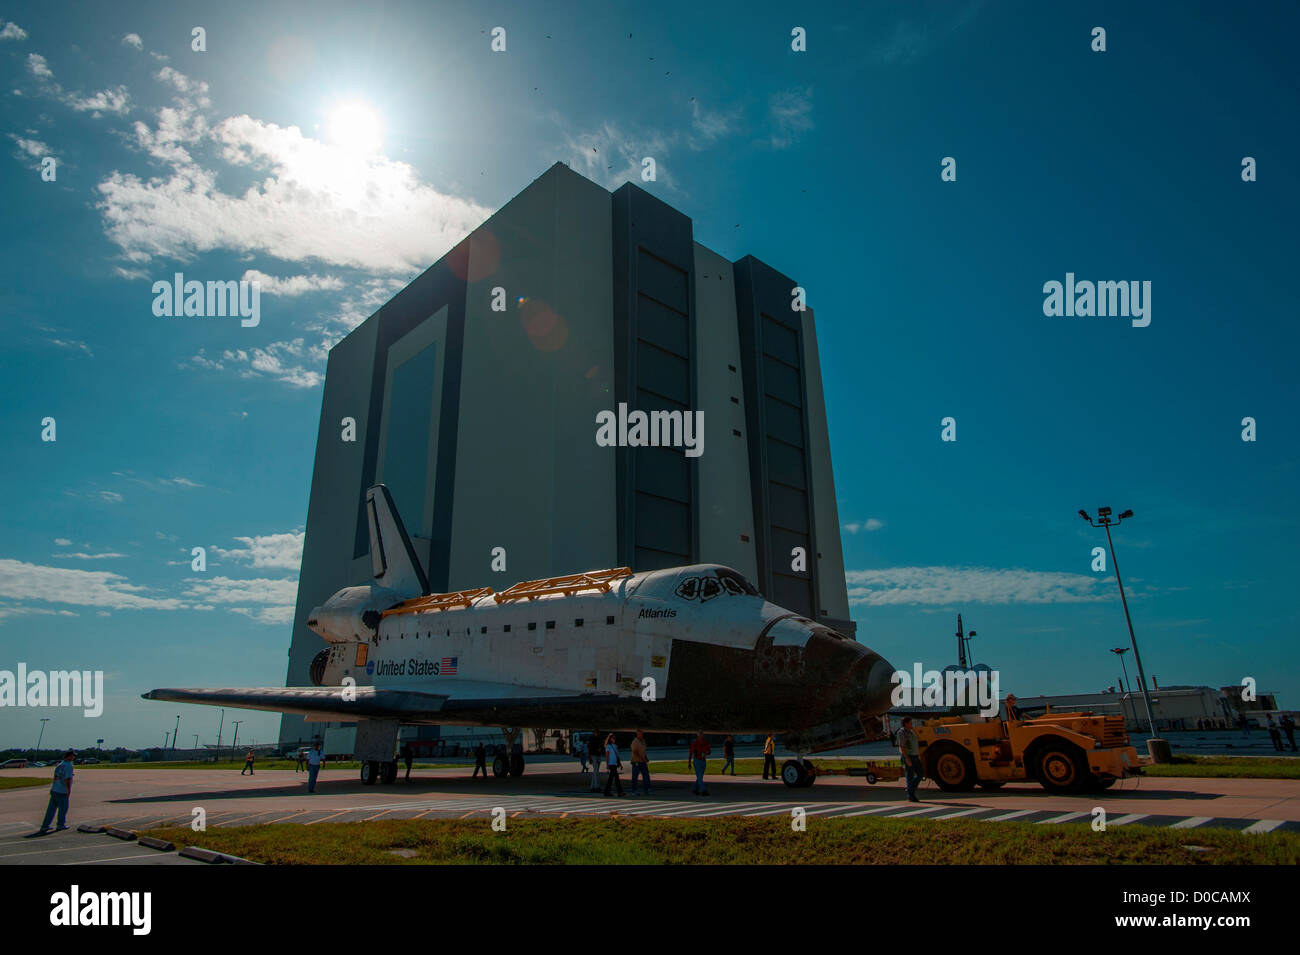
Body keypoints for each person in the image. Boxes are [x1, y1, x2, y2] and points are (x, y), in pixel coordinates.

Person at [37, 751, 75, 834]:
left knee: (51, 809)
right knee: (63, 808)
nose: (73, 758)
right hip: (62, 790)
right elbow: (67, 779)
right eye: (72, 756)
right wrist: (68, 790)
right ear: (68, 757)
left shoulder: (60, 764)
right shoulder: (68, 765)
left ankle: (45, 825)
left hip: (54, 789)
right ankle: (60, 824)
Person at [897, 716, 923, 802]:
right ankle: (911, 795)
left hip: (915, 756)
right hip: (909, 756)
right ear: (906, 723)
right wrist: (907, 758)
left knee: (920, 774)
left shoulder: (912, 731)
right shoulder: (902, 732)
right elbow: (902, 746)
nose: (912, 724)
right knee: (910, 776)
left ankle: (910, 789)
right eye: (910, 723)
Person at [629, 730, 652, 796]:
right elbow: (635, 752)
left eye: (642, 734)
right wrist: (641, 758)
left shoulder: (643, 741)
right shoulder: (635, 742)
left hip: (643, 762)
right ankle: (634, 790)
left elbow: (643, 751)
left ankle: (647, 789)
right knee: (635, 777)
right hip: (636, 762)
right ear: (637, 734)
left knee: (646, 775)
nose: (642, 735)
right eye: (640, 734)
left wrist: (646, 757)